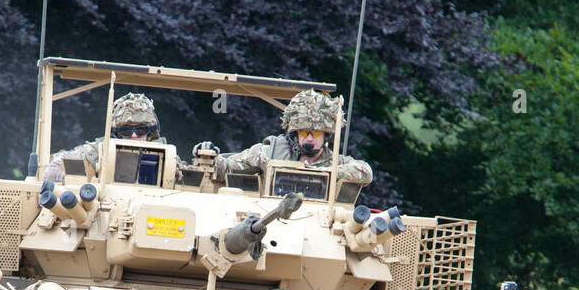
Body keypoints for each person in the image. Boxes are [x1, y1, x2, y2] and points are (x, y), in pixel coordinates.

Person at [203, 89, 372, 186]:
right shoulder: (269, 154)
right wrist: (209, 157)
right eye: (304, 132)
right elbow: (227, 168)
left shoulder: (336, 162)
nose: (310, 139)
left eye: (317, 133)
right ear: (295, 133)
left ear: (327, 135)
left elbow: (366, 172)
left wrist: (327, 173)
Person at [43, 93, 164, 184]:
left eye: (141, 130)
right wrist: (85, 184)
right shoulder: (99, 151)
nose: (133, 136)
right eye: (126, 131)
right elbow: (53, 170)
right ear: (117, 134)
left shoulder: (167, 157)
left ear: (150, 133)